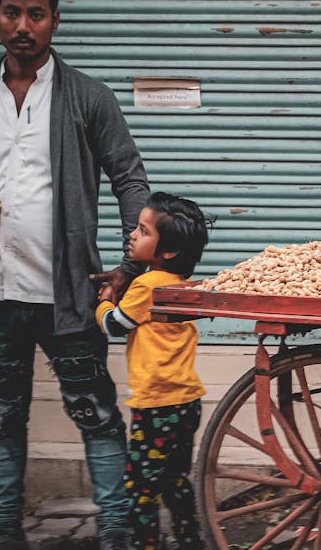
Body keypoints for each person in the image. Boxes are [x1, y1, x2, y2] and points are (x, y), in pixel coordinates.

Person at [0, 0, 148, 550]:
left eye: (35, 13)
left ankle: (116, 532)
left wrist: (130, 266)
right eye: (11, 12)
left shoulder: (87, 97)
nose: (22, 25)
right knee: (2, 419)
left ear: (55, 20)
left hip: (70, 293)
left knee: (96, 414)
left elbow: (130, 178)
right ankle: (3, 532)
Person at [96, 192, 210, 550]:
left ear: (168, 251)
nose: (132, 234)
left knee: (140, 489)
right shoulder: (178, 284)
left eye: (143, 231)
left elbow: (116, 325)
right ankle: (190, 542)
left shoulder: (147, 285)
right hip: (185, 401)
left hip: (156, 406)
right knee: (175, 480)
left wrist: (101, 303)